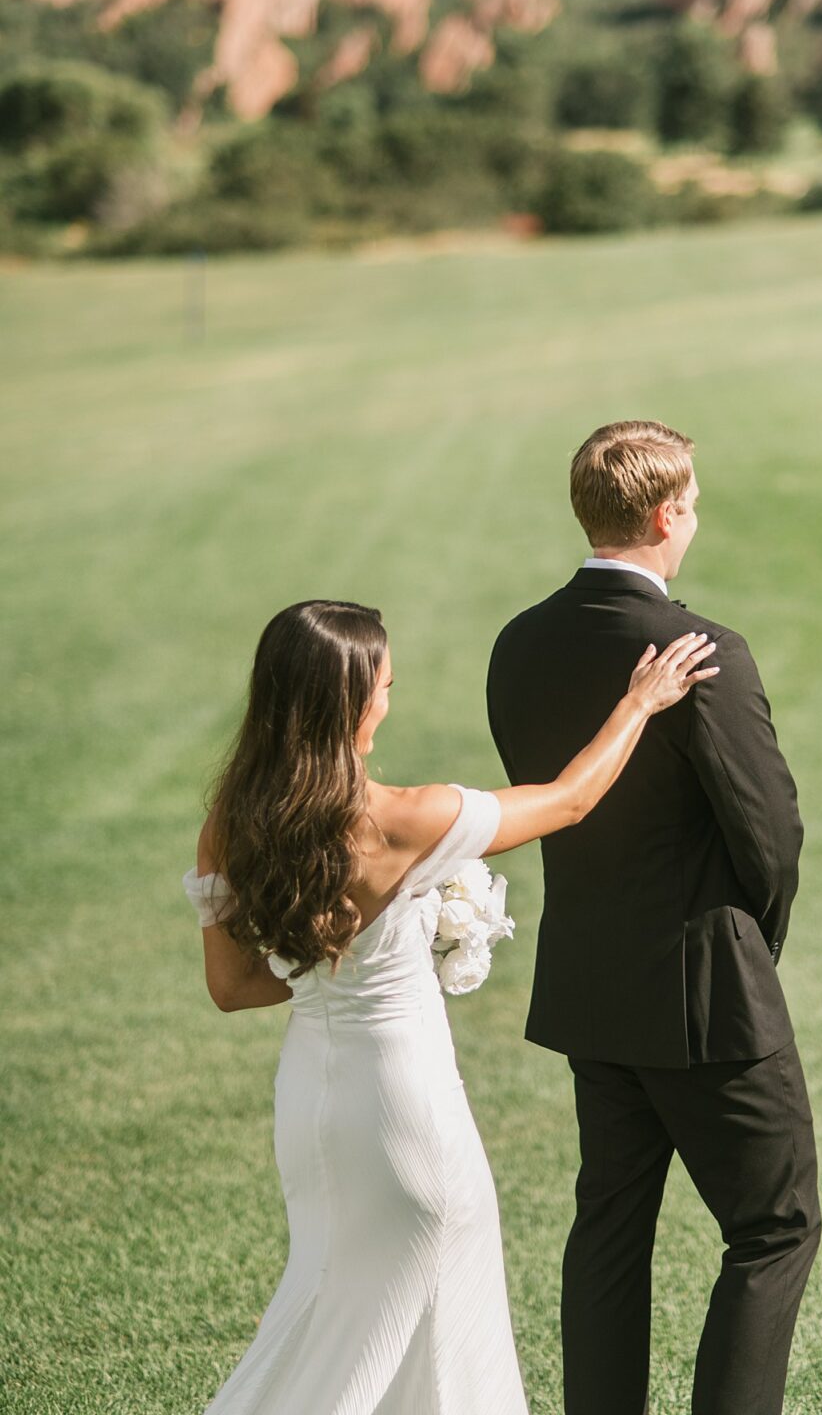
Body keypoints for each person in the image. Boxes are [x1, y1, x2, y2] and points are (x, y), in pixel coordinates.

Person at [182, 598, 717, 1415]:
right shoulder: (405, 818)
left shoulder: (231, 822)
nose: (389, 701)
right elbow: (570, 800)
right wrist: (639, 702)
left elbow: (232, 986)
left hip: (311, 1107)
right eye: (385, 686)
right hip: (406, 1108)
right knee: (440, 1324)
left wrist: (336, 968)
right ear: (352, 703)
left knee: (327, 1304)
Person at [487, 420, 821, 1415]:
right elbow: (770, 835)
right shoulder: (700, 650)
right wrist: (754, 945)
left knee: (609, 1231)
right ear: (668, 512)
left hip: (592, 988)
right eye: (696, 503)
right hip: (708, 995)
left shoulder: (520, 643)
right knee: (774, 1227)